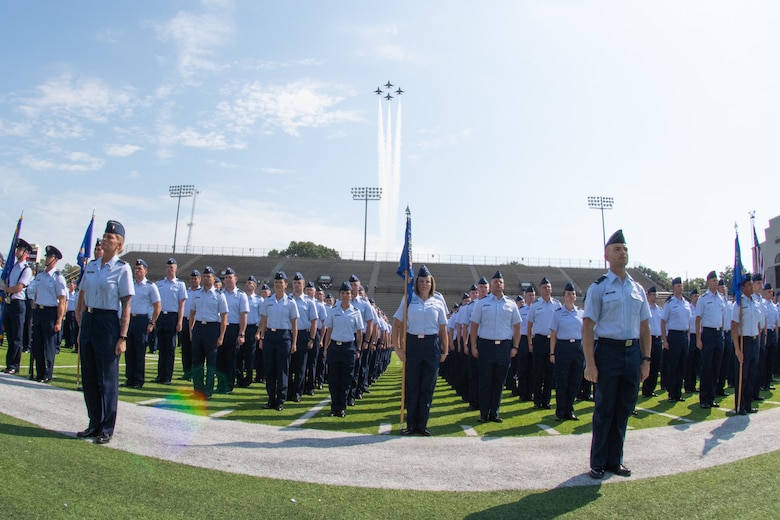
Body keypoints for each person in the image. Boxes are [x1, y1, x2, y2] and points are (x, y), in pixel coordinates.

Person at [583, 229, 651, 479]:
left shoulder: (638, 289)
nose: (622, 252)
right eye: (617, 249)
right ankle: (598, 461)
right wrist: (590, 364)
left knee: (624, 408)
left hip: (632, 353)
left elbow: (645, 327)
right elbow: (588, 327)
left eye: (624, 248)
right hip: (608, 352)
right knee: (605, 408)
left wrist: (646, 360)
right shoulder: (599, 288)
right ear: (606, 256)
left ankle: (615, 460)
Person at [75, 220, 134, 444]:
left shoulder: (122, 269)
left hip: (108, 322)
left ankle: (107, 428)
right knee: (89, 376)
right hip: (89, 319)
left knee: (107, 379)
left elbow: (126, 304)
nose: (105, 239)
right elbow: (82, 292)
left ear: (118, 244)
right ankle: (94, 423)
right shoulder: (91, 266)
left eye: (110, 237)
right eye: (104, 236)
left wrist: (122, 336)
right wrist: (79, 316)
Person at [392, 266, 449, 435]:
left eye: (427, 281)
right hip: (413, 344)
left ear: (432, 284)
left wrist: (445, 350)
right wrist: (397, 348)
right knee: (412, 384)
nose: (424, 284)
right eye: (421, 281)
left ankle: (422, 424)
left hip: (432, 345)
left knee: (428, 385)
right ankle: (411, 424)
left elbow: (443, 329)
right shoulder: (409, 299)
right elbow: (396, 324)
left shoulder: (438, 301)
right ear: (416, 283)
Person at [470, 270, 521, 423]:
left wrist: (515, 347)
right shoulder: (481, 303)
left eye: (500, 282)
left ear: (504, 285)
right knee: (485, 380)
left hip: (504, 346)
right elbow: (473, 326)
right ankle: (484, 413)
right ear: (490, 286)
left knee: (499, 381)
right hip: (485, 345)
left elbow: (517, 327)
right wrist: (473, 345)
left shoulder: (511, 304)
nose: (498, 284)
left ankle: (494, 412)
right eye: (495, 282)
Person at [258, 271, 299, 411]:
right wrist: (262, 337)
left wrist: (294, 343)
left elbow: (294, 325)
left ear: (285, 285)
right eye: (276, 282)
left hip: (284, 337)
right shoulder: (268, 301)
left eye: (280, 282)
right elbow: (263, 321)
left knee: (282, 370)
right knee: (269, 370)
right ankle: (271, 399)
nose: (278, 285)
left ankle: (280, 400)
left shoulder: (291, 302)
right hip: (270, 336)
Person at [322, 282, 364, 417]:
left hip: (349, 348)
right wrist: (326, 347)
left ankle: (342, 407)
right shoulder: (333, 311)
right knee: (333, 379)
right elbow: (329, 330)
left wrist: (358, 349)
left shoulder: (356, 312)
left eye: (348, 293)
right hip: (334, 347)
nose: (345, 296)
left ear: (351, 295)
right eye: (343, 293)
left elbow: (359, 333)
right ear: (339, 295)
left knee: (346, 379)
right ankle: (334, 407)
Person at [188, 266, 227, 400]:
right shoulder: (197, 294)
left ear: (213, 278)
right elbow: (192, 313)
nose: (206, 278)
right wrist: (191, 330)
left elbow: (224, 317)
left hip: (212, 328)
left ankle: (208, 391)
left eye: (208, 276)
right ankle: (198, 390)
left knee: (211, 363)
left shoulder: (219, 295)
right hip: (198, 327)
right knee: (197, 362)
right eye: (204, 276)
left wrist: (221, 336)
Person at [30, 245, 67, 382]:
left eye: (50, 256)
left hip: (51, 313)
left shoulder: (58, 278)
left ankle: (48, 373)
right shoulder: (40, 276)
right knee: (37, 344)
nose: (47, 258)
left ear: (55, 259)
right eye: (47, 256)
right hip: (39, 311)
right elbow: (36, 296)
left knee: (49, 345)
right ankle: (39, 372)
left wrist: (59, 320)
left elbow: (62, 300)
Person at [550, 283, 584, 421]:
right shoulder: (558, 313)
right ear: (564, 296)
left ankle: (569, 409)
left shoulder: (581, 313)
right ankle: (560, 411)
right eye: (568, 294)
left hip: (577, 347)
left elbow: (584, 332)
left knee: (575, 380)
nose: (571, 296)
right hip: (563, 347)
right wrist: (552, 353)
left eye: (573, 294)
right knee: (562, 381)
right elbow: (553, 334)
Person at [124, 259, 160, 389]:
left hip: (142, 320)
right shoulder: (130, 285)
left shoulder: (151, 286)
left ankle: (139, 380)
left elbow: (157, 306)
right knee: (129, 351)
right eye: (136, 268)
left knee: (139, 351)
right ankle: (130, 378)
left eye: (140, 269)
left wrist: (152, 322)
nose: (137, 271)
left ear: (146, 271)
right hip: (130, 320)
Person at [527, 276, 562, 410]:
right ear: (540, 290)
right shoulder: (535, 306)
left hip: (552, 341)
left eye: (548, 287)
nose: (546, 289)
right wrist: (530, 342)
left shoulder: (557, 305)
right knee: (538, 372)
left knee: (549, 373)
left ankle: (546, 401)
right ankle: (537, 400)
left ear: (551, 289)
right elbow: (529, 326)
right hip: (539, 340)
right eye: (544, 287)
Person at [153, 258, 187, 385]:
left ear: (176, 269)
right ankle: (160, 375)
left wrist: (179, 322)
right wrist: (154, 319)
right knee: (161, 347)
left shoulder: (180, 285)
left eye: (171, 267)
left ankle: (167, 376)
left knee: (170, 348)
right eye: (167, 267)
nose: (169, 269)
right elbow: (155, 304)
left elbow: (181, 305)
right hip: (161, 316)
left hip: (173, 317)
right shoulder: (159, 284)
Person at [695, 271, 726, 408]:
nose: (716, 282)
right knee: (706, 367)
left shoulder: (721, 298)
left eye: (717, 280)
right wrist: (698, 338)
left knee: (716, 367)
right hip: (707, 334)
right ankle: (704, 398)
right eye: (713, 280)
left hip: (719, 334)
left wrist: (723, 333)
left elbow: (723, 317)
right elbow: (698, 319)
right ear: (708, 282)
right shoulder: (703, 298)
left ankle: (711, 397)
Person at [732, 274, 762, 415]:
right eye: (749, 285)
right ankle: (740, 405)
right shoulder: (739, 303)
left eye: (752, 284)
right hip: (744, 341)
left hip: (754, 340)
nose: (751, 287)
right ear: (742, 287)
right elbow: (733, 326)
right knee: (742, 375)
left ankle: (748, 405)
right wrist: (737, 349)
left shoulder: (755, 302)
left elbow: (758, 324)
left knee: (752, 375)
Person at [3, 238, 33, 374]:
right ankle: (9, 363)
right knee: (9, 334)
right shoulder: (13, 267)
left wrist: (5, 289)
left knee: (16, 336)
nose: (17, 251)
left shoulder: (26, 270)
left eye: (20, 249)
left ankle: (15, 365)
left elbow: (19, 288)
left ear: (25, 252)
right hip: (9, 303)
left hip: (18, 304)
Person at [216, 267, 247, 394]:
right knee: (219, 359)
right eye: (226, 278)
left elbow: (243, 316)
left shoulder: (241, 295)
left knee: (231, 359)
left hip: (233, 328)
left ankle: (228, 385)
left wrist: (241, 333)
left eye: (230, 277)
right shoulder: (219, 294)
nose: (228, 280)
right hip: (220, 327)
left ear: (236, 279)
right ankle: (220, 384)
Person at [660, 277, 691, 402]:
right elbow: (663, 322)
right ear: (673, 288)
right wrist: (665, 340)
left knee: (682, 366)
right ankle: (671, 392)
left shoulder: (686, 303)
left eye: (681, 285)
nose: (680, 287)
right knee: (673, 365)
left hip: (684, 336)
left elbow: (688, 322)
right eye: (678, 286)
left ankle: (678, 392)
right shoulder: (670, 303)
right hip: (673, 336)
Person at [288, 273, 318, 402]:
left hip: (303, 335)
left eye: (299, 283)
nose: (296, 285)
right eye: (295, 282)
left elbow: (314, 322)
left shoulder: (309, 302)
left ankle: (297, 392)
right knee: (287, 365)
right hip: (287, 335)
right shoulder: (287, 299)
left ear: (303, 285)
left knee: (301, 366)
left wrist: (311, 338)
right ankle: (288, 391)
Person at [237, 275, 260, 388]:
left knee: (250, 355)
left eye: (250, 283)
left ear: (255, 286)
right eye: (246, 283)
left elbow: (262, 317)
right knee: (239, 354)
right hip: (241, 328)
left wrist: (258, 332)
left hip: (252, 328)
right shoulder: (241, 297)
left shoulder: (259, 300)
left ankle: (249, 378)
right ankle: (239, 378)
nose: (247, 285)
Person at [178, 269, 201, 381]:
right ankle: (186, 372)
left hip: (196, 322)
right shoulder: (187, 292)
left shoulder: (201, 292)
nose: (193, 280)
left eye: (195, 278)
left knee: (195, 350)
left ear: (199, 279)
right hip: (185, 321)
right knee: (185, 349)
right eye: (192, 278)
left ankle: (193, 373)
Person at [642, 286, 663, 397]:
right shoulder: (646, 309)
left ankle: (651, 389)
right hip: (649, 339)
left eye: (656, 295)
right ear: (648, 295)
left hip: (658, 339)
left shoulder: (659, 310)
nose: (655, 297)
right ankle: (646, 388)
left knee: (655, 366)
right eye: (653, 294)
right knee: (648, 363)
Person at [517, 286, 535, 402]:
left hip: (534, 338)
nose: (531, 297)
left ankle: (532, 392)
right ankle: (523, 393)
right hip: (523, 339)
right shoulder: (521, 310)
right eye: (529, 295)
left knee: (533, 368)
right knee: (523, 367)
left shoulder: (538, 308)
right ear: (525, 296)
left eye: (533, 295)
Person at [64, 281, 79, 350]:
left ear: (74, 287)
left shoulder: (75, 295)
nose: (70, 287)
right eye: (69, 286)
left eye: (71, 286)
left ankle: (71, 343)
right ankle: (67, 343)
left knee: (72, 329)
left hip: (73, 312)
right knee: (66, 328)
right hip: (67, 312)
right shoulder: (68, 294)